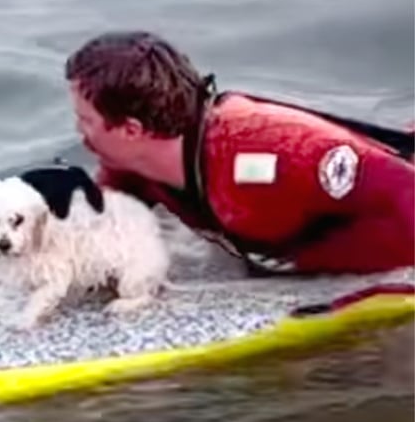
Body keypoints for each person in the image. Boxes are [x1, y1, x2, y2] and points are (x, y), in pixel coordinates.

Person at [64, 30, 415, 275]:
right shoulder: (133, 167)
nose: (78, 130)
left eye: (85, 120)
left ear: (131, 130)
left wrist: (324, 273)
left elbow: (405, 191)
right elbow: (102, 219)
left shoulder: (268, 156)